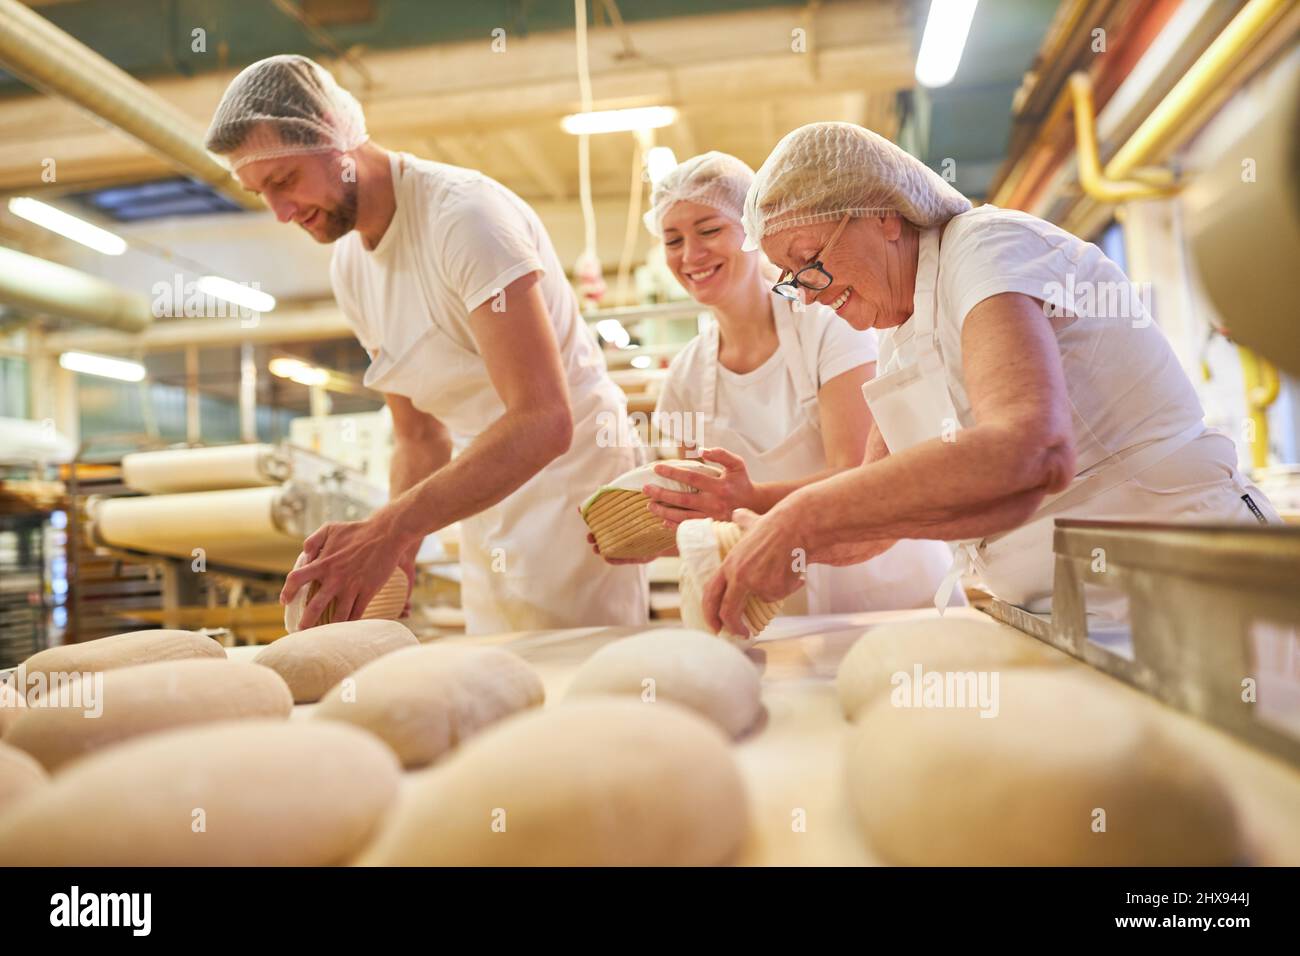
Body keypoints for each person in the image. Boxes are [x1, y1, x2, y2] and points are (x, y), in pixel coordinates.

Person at [700, 121, 1280, 637]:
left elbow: (1030, 450)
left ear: (881, 212)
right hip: (1068, 611)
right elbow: (871, 522)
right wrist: (761, 513)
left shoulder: (982, 248)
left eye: (810, 261)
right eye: (791, 280)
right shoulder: (896, 335)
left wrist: (801, 521)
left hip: (1184, 580)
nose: (809, 293)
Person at [204, 55, 647, 633]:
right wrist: (395, 556)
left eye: (284, 180)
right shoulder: (351, 268)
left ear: (335, 135)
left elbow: (543, 419)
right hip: (481, 488)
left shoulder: (465, 220)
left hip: (572, 486)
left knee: (582, 683)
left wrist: (392, 528)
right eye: (260, 192)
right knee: (503, 673)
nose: (282, 212)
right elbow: (419, 436)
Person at [589, 151, 954, 613]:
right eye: (673, 239)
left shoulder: (829, 322)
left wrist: (748, 500)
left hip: (885, 592)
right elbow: (708, 511)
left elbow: (859, 472)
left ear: (751, 232)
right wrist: (649, 536)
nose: (691, 255)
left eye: (708, 230)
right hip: (780, 605)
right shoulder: (684, 376)